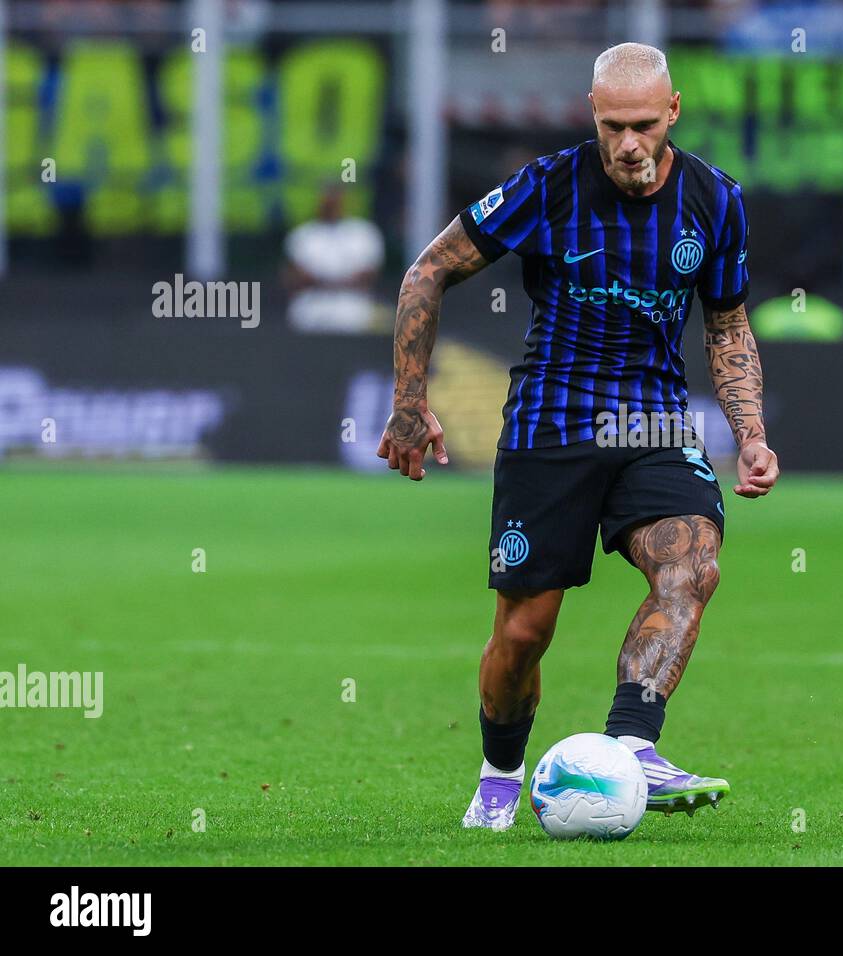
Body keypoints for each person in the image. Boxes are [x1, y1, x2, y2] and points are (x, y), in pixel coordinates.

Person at [376, 42, 779, 829]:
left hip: (655, 421)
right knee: (525, 632)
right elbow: (428, 270)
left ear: (673, 113)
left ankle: (631, 749)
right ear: (593, 118)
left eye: (642, 125)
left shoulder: (716, 201)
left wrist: (751, 431)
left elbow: (727, 322)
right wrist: (407, 401)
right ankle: (499, 774)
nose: (628, 144)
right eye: (610, 126)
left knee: (692, 565)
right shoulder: (549, 186)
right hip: (550, 424)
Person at [283, 186, 384, 334]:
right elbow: (294, 276)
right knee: (301, 315)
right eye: (327, 196)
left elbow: (368, 274)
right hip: (312, 302)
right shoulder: (302, 234)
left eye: (335, 196)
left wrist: (324, 280)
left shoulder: (364, 232)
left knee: (357, 317)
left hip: (352, 302)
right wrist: (337, 280)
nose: (331, 202)